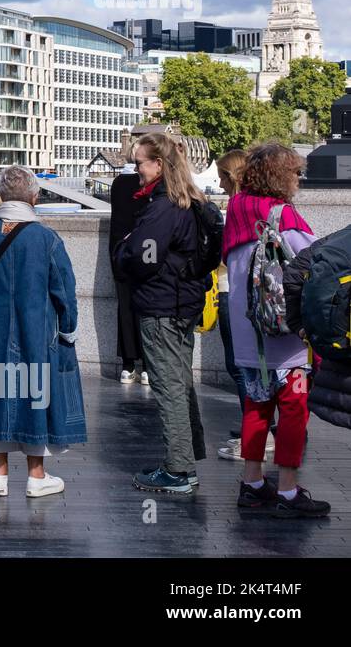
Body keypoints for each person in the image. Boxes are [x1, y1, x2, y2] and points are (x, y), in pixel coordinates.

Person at [0, 166, 86, 497]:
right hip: (36, 328)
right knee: (34, 395)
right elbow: (64, 289)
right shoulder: (47, 239)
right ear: (34, 197)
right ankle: (36, 476)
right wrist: (68, 328)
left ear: (1, 195)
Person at [221, 143, 328, 517]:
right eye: (296, 173)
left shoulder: (236, 209)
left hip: (247, 330)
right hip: (284, 333)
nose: (299, 179)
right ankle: (288, 490)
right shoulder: (283, 215)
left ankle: (251, 484)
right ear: (280, 176)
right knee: (294, 410)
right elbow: (316, 261)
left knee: (256, 407)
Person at [113, 132, 212, 494]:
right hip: (183, 302)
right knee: (180, 382)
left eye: (138, 163)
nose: (135, 169)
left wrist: (123, 251)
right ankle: (187, 457)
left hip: (161, 306)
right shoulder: (191, 201)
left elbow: (143, 255)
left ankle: (179, 469)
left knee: (168, 385)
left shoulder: (162, 206)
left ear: (158, 164)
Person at [214, 150, 269, 462]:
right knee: (252, 367)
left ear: (232, 176)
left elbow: (228, 256)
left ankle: (258, 435)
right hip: (254, 295)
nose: (220, 184)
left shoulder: (238, 207)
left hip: (233, 292)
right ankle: (260, 430)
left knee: (239, 367)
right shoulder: (259, 205)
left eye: (222, 177)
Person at [108, 168, 148, 384]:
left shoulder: (118, 183)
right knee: (148, 307)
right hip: (146, 252)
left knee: (125, 307)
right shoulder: (149, 182)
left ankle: (128, 364)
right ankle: (148, 366)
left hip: (120, 252)